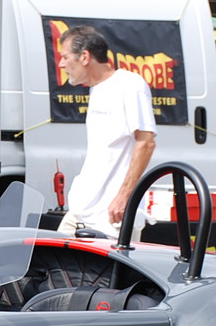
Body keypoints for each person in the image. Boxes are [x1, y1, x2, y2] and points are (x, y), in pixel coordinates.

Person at [55, 24, 157, 237]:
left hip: (111, 218)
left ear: (84, 56)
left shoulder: (130, 85)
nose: (61, 64)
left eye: (65, 57)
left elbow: (146, 142)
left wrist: (123, 197)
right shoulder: (98, 89)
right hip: (82, 212)